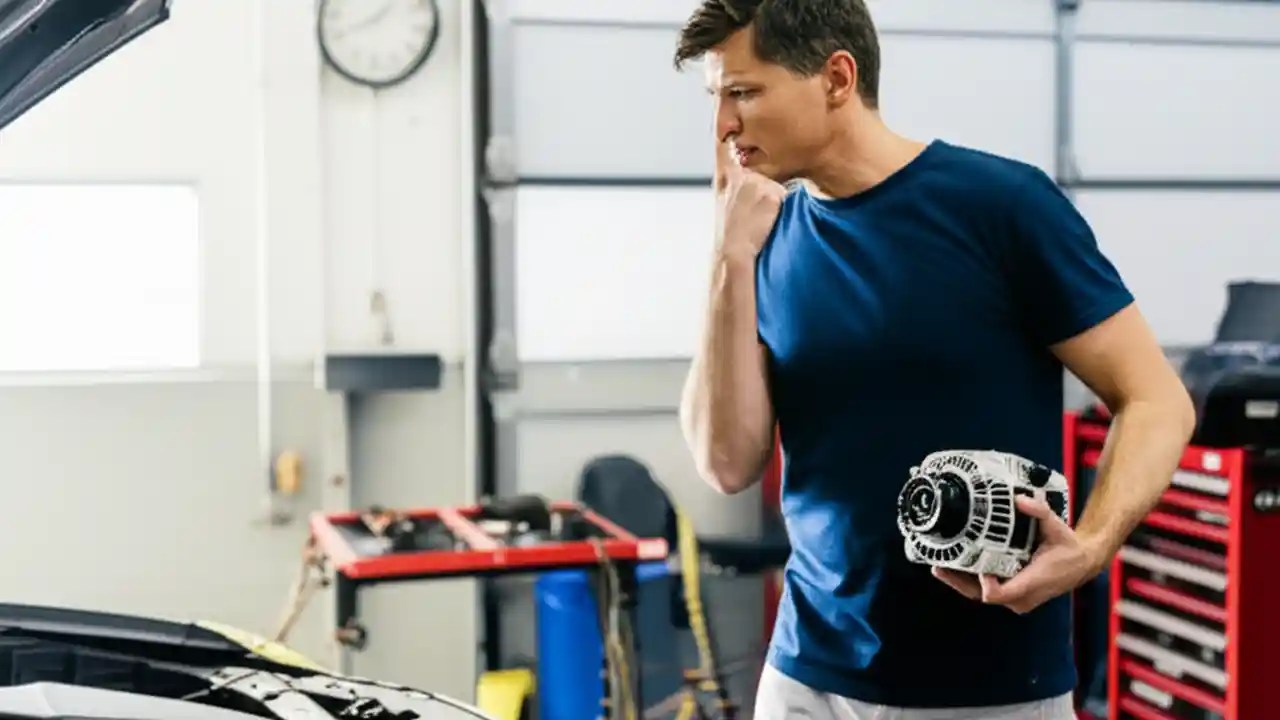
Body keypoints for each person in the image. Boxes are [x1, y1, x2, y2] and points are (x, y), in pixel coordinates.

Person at [672, 1, 1197, 718]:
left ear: (836, 78)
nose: (723, 126)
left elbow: (1157, 400)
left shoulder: (1000, 207)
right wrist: (727, 257)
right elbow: (727, 462)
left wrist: (1092, 545)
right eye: (716, 97)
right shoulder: (763, 239)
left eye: (743, 92)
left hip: (989, 684)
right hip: (806, 673)